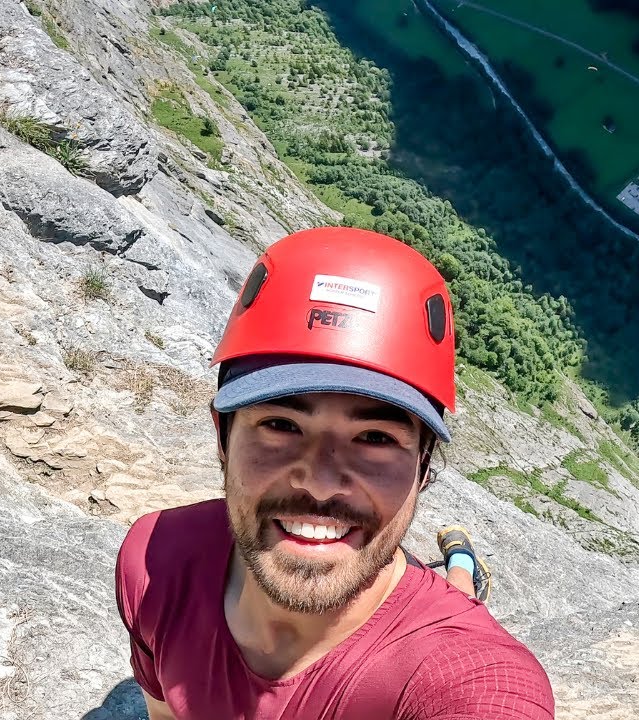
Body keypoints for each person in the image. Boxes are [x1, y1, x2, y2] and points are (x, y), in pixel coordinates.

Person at [114, 226, 555, 719]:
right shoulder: (155, 564)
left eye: (375, 438)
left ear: (423, 466)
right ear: (222, 436)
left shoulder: (470, 677)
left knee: (456, 599)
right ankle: (459, 566)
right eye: (281, 425)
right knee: (451, 591)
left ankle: (461, 569)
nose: (321, 483)